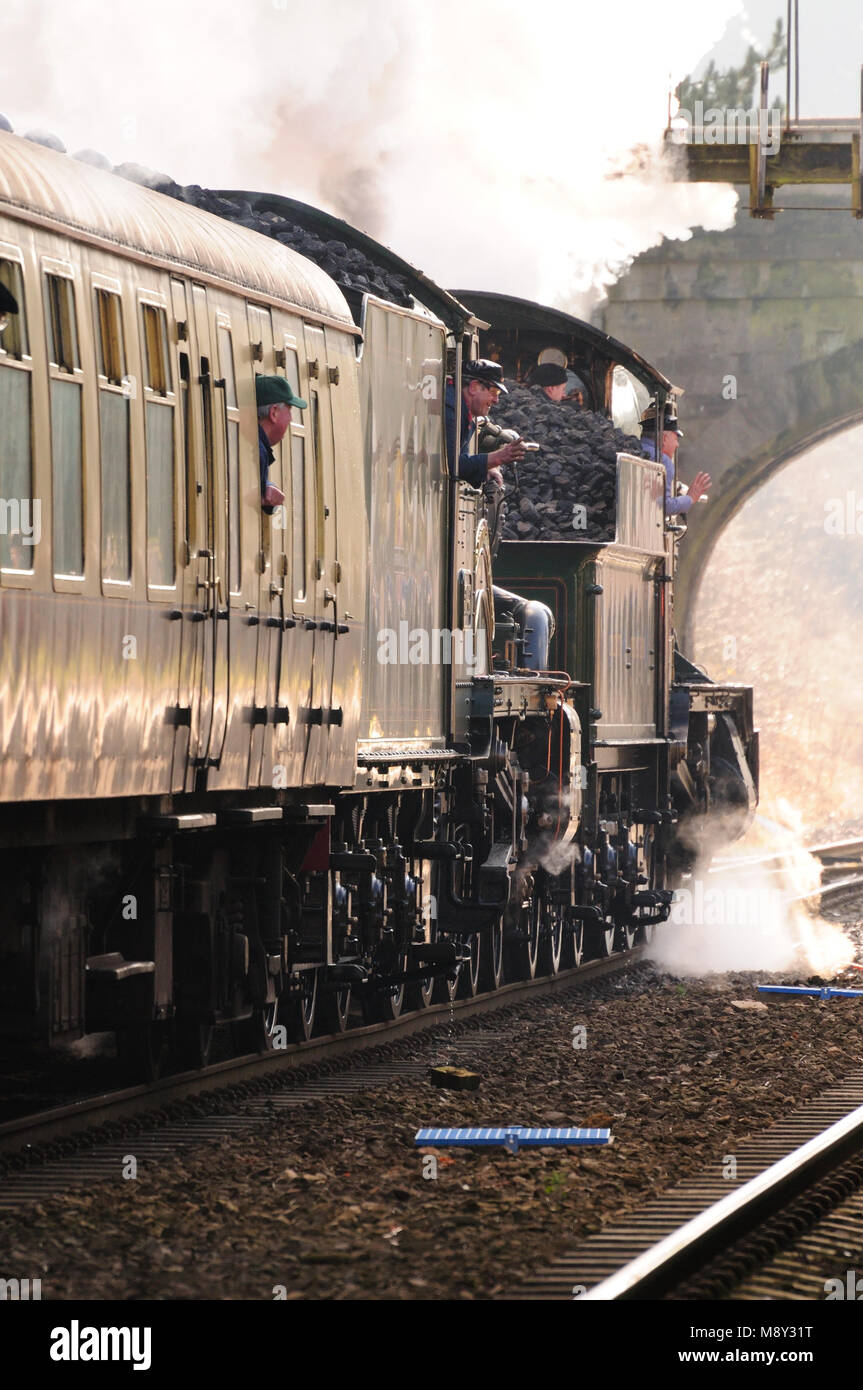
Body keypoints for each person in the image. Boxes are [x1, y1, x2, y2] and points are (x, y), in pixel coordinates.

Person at [445, 359, 525, 488]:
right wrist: (498, 457)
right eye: (494, 392)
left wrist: (487, 469)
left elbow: (461, 463)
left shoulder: (463, 410)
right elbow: (449, 464)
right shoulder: (451, 409)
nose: (496, 400)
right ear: (473, 387)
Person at [640, 402, 710, 516]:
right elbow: (664, 506)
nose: (677, 445)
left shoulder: (634, 447)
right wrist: (690, 498)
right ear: (664, 438)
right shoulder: (663, 461)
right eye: (675, 438)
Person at [256, 374, 307, 511]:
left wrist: (266, 487)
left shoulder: (258, 446)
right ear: (273, 413)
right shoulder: (258, 451)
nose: (290, 419)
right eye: (289, 410)